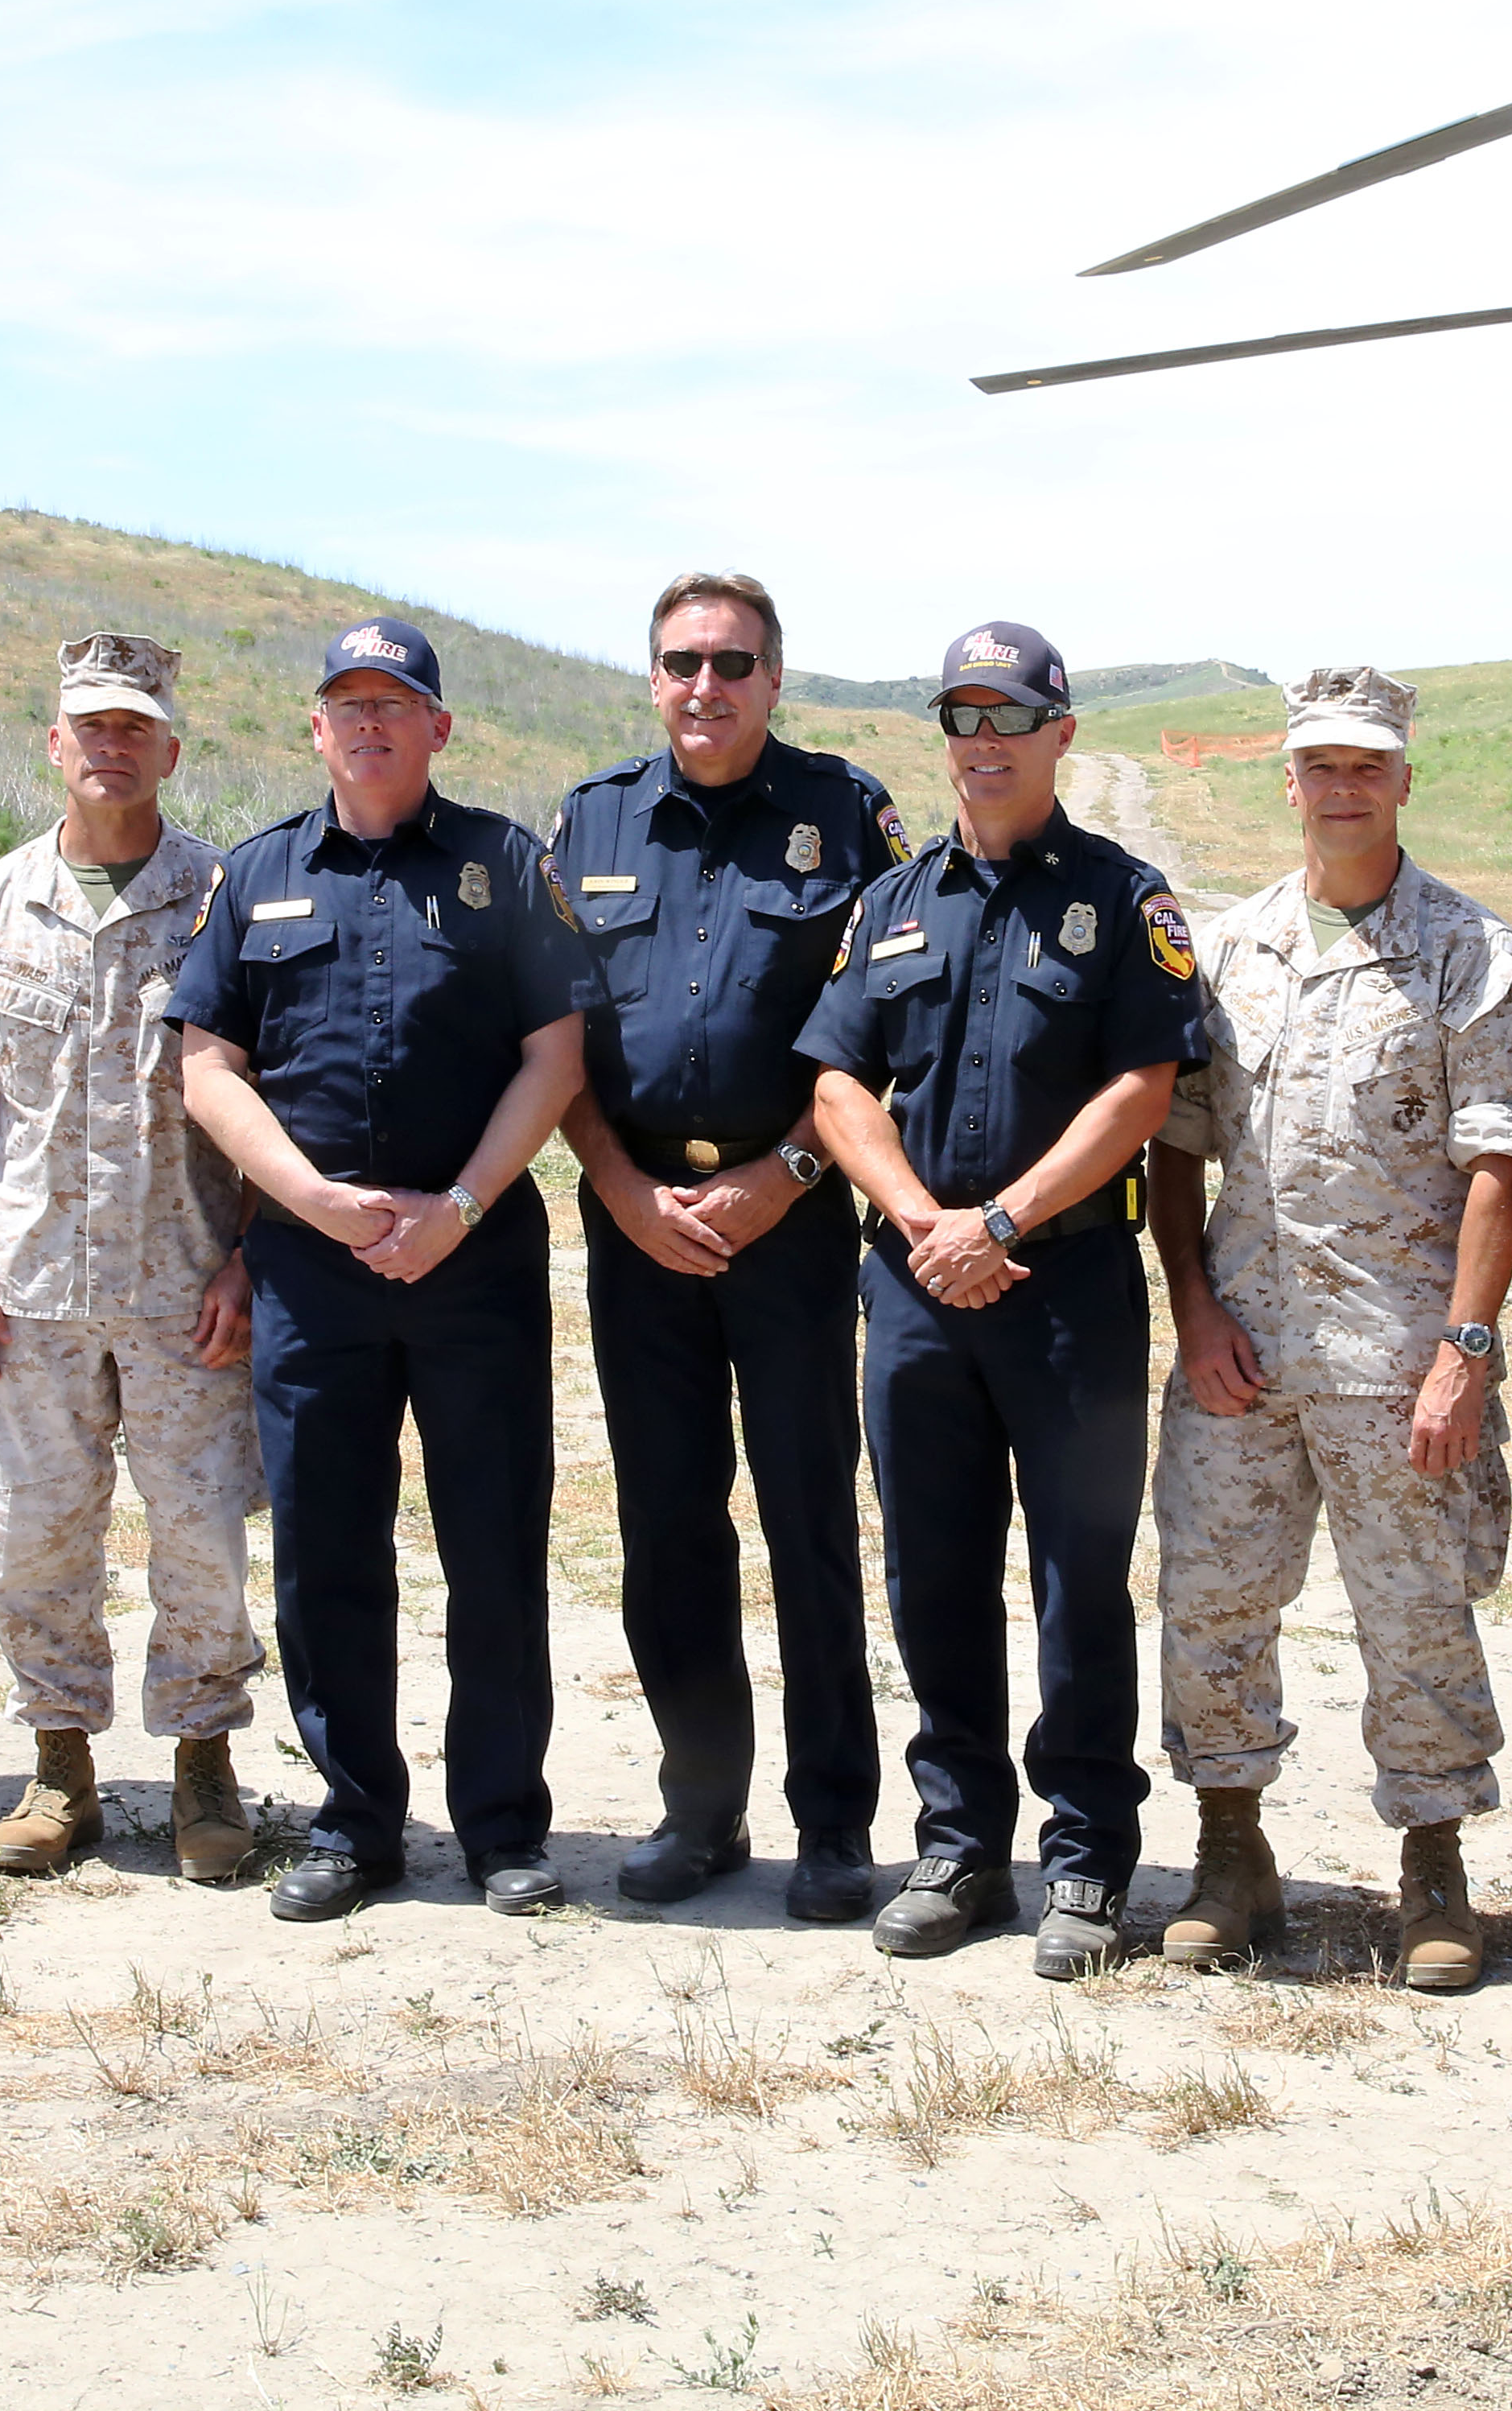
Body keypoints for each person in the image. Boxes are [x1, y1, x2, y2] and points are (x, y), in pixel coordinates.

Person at [171, 617, 596, 1923]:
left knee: (493, 1548)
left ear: (438, 728)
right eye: (346, 705)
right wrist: (308, 1202)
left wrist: (462, 1205)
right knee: (327, 1551)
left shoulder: (507, 866)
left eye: (394, 704)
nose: (369, 724)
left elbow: (557, 1050)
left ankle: (503, 1830)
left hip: (472, 1265)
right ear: (315, 729)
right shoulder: (254, 878)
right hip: (313, 1272)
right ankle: (354, 1824)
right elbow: (205, 1066)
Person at [797, 622, 1201, 1974]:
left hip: (1068, 1281)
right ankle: (961, 1842)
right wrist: (924, 1223)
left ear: (1059, 736)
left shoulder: (1124, 899)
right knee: (933, 1575)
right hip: (917, 1288)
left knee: (1079, 1578)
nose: (984, 742)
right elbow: (840, 1083)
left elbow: (1144, 1088)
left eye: (1010, 719)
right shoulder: (896, 899)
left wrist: (1006, 1219)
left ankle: (1087, 1859)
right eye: (963, 719)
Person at [1144, 666, 1512, 1994]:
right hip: (1241, 1349)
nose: (1342, 788)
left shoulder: (1473, 955)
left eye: (1366, 766)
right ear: (1290, 780)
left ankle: (1432, 1867)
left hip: (1399, 1354)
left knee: (1418, 1611)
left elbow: (1502, 1165)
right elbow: (1181, 1146)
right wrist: (1193, 1306)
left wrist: (1465, 1351)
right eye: (1320, 766)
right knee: (1211, 1596)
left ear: (1404, 780)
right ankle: (1230, 1850)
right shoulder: (1231, 947)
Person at [549, 571, 908, 1923]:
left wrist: (791, 1171)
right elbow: (558, 1042)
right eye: (684, 662)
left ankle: (831, 1828)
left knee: (811, 1521)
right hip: (639, 1229)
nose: (708, 685)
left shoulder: (844, 817)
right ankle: (698, 1811)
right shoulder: (590, 822)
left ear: (775, 678)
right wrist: (624, 1190)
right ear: (654, 677)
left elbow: (888, 1033)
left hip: (796, 1230)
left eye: (735, 663)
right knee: (668, 1526)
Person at [0, 634, 262, 1885]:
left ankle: (205, 1764)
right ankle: (59, 1766)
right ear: (54, 745)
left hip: (187, 1284)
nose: (110, 747)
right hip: (32, 1289)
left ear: (172, 748)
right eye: (88, 727)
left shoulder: (229, 897)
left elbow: (285, 1088)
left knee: (203, 1536)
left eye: (135, 727)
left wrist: (251, 1261)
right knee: (32, 1537)